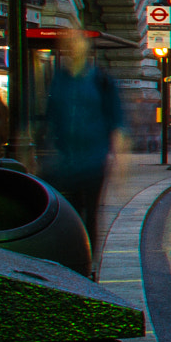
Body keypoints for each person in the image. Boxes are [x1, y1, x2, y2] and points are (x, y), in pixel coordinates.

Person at [42, 30, 126, 274]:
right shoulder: (58, 79)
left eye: (76, 43)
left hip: (94, 159)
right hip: (64, 159)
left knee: (89, 212)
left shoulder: (101, 80)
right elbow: (50, 117)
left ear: (86, 48)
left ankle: (88, 263)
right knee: (68, 214)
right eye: (68, 43)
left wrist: (121, 162)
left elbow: (117, 121)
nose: (72, 47)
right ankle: (71, 260)